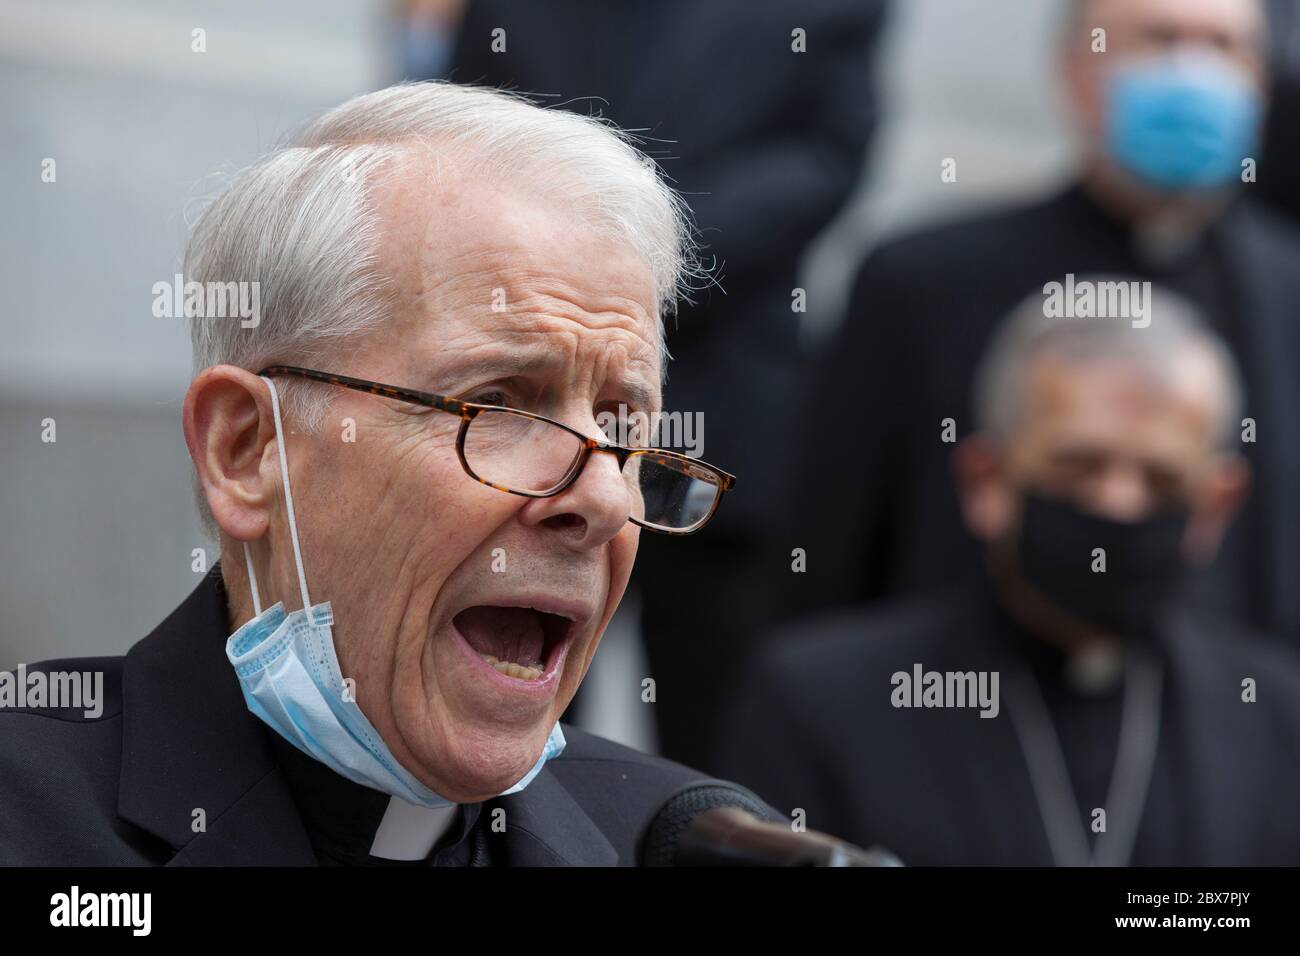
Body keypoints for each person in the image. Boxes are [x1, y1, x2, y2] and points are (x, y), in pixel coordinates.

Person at [0, 82, 772, 866]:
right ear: (246, 451)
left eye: (620, 428)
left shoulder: (680, 844)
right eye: (497, 403)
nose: (605, 497)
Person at [420, 0, 887, 771]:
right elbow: (466, 134)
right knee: (511, 699)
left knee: (720, 738)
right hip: (528, 415)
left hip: (724, 417)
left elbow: (825, 159)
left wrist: (627, 258)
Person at [718, 286, 1300, 865]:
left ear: (1216, 505)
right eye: (1078, 468)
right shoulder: (818, 702)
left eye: (1161, 479)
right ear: (985, 480)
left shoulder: (1277, 718)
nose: (1119, 505)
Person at [789, 0, 1300, 639]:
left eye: (1223, 47)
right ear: (1075, 69)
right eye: (1160, 39)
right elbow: (825, 562)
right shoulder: (925, 284)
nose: (1193, 73)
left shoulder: (1286, 296)